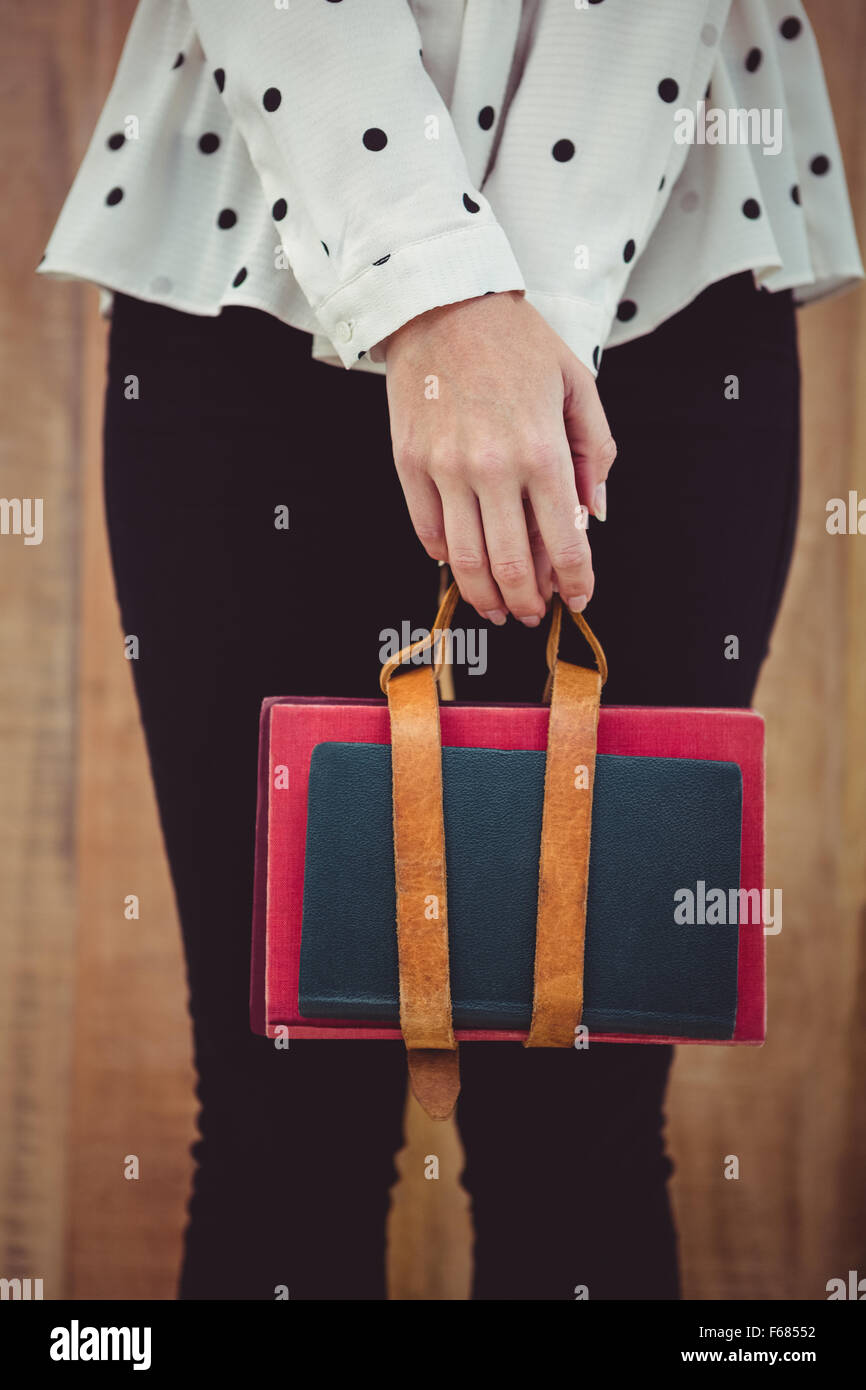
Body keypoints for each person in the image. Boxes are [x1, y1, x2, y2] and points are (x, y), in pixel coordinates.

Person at [38, 0, 862, 1300]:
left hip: (671, 263)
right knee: (279, 1112)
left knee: (585, 1126)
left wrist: (512, 302)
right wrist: (434, 284)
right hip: (263, 223)